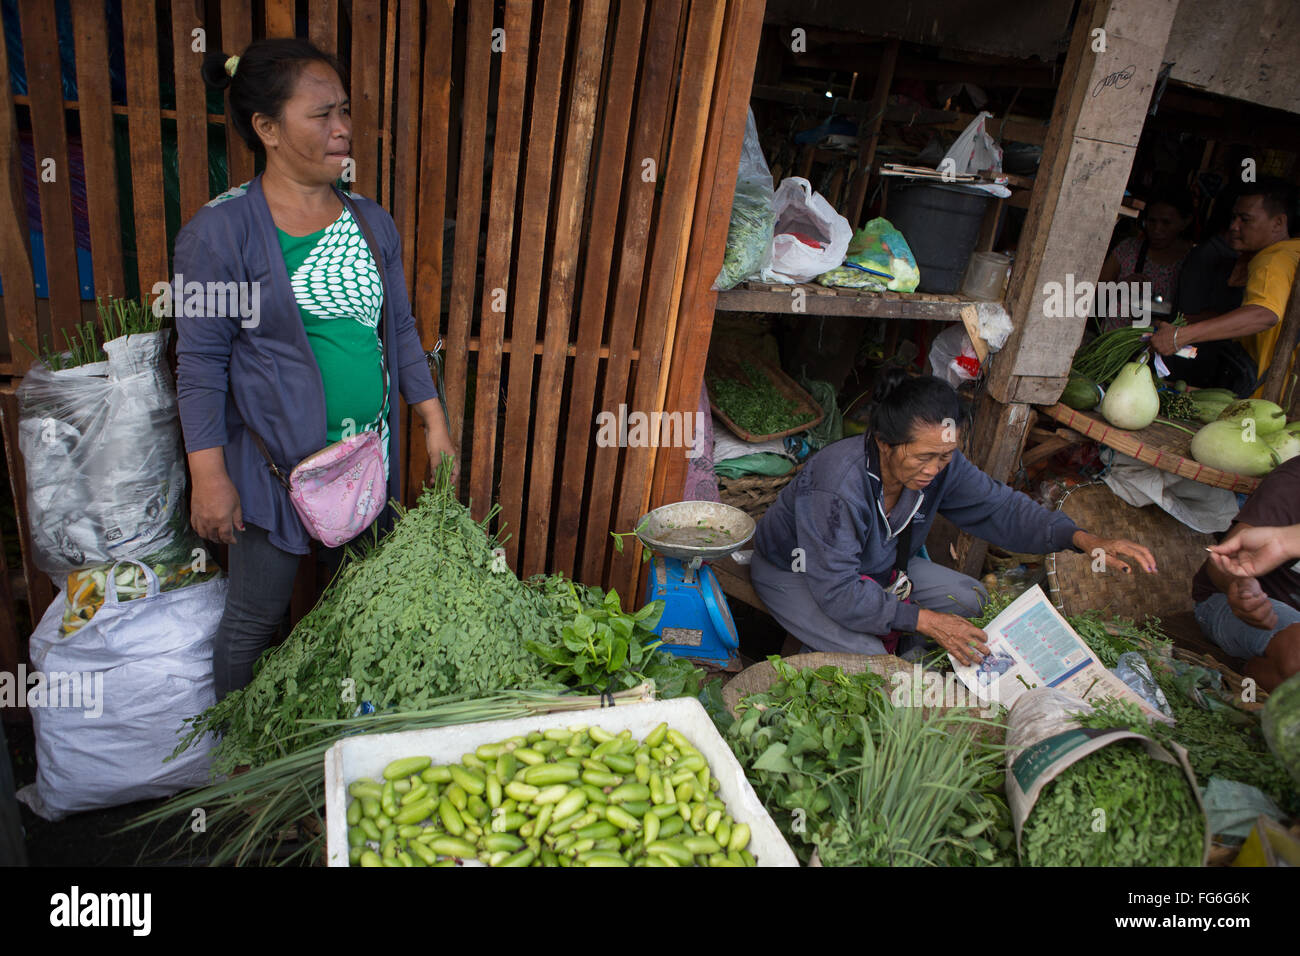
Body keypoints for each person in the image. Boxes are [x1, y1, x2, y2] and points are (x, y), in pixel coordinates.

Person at [176, 40, 456, 699]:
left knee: (360, 610)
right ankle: (234, 767)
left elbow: (402, 332)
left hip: (365, 463)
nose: (343, 129)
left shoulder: (370, 222)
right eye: (322, 114)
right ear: (267, 129)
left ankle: (338, 738)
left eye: (346, 112)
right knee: (254, 619)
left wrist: (432, 423)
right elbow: (200, 363)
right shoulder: (219, 234)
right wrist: (209, 478)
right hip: (272, 472)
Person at [749, 371, 1157, 664]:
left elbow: (1000, 507)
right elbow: (838, 590)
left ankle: (911, 653)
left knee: (971, 599)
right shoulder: (837, 485)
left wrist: (1082, 539)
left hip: (879, 572)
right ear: (883, 442)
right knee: (872, 661)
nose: (934, 469)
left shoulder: (944, 465)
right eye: (924, 456)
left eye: (944, 456)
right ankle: (838, 659)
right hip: (798, 574)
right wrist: (926, 621)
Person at [1151, 178, 1300, 395]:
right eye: (1233, 217)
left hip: (1266, 397)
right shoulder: (1293, 252)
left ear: (1278, 223)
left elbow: (1264, 313)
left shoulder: (1272, 259)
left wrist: (1180, 337)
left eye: (1245, 220)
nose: (1233, 227)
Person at [1192, 458, 1300, 691]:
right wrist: (1241, 585)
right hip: (1236, 604)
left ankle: (1269, 679)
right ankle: (1256, 673)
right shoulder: (1293, 482)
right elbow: (1224, 561)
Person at [1097, 189, 1194, 330]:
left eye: (1166, 223)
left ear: (1185, 222)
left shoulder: (1192, 261)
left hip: (1156, 347)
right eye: (1151, 221)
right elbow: (1094, 290)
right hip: (1112, 341)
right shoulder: (1129, 249)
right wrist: (1120, 287)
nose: (1157, 229)